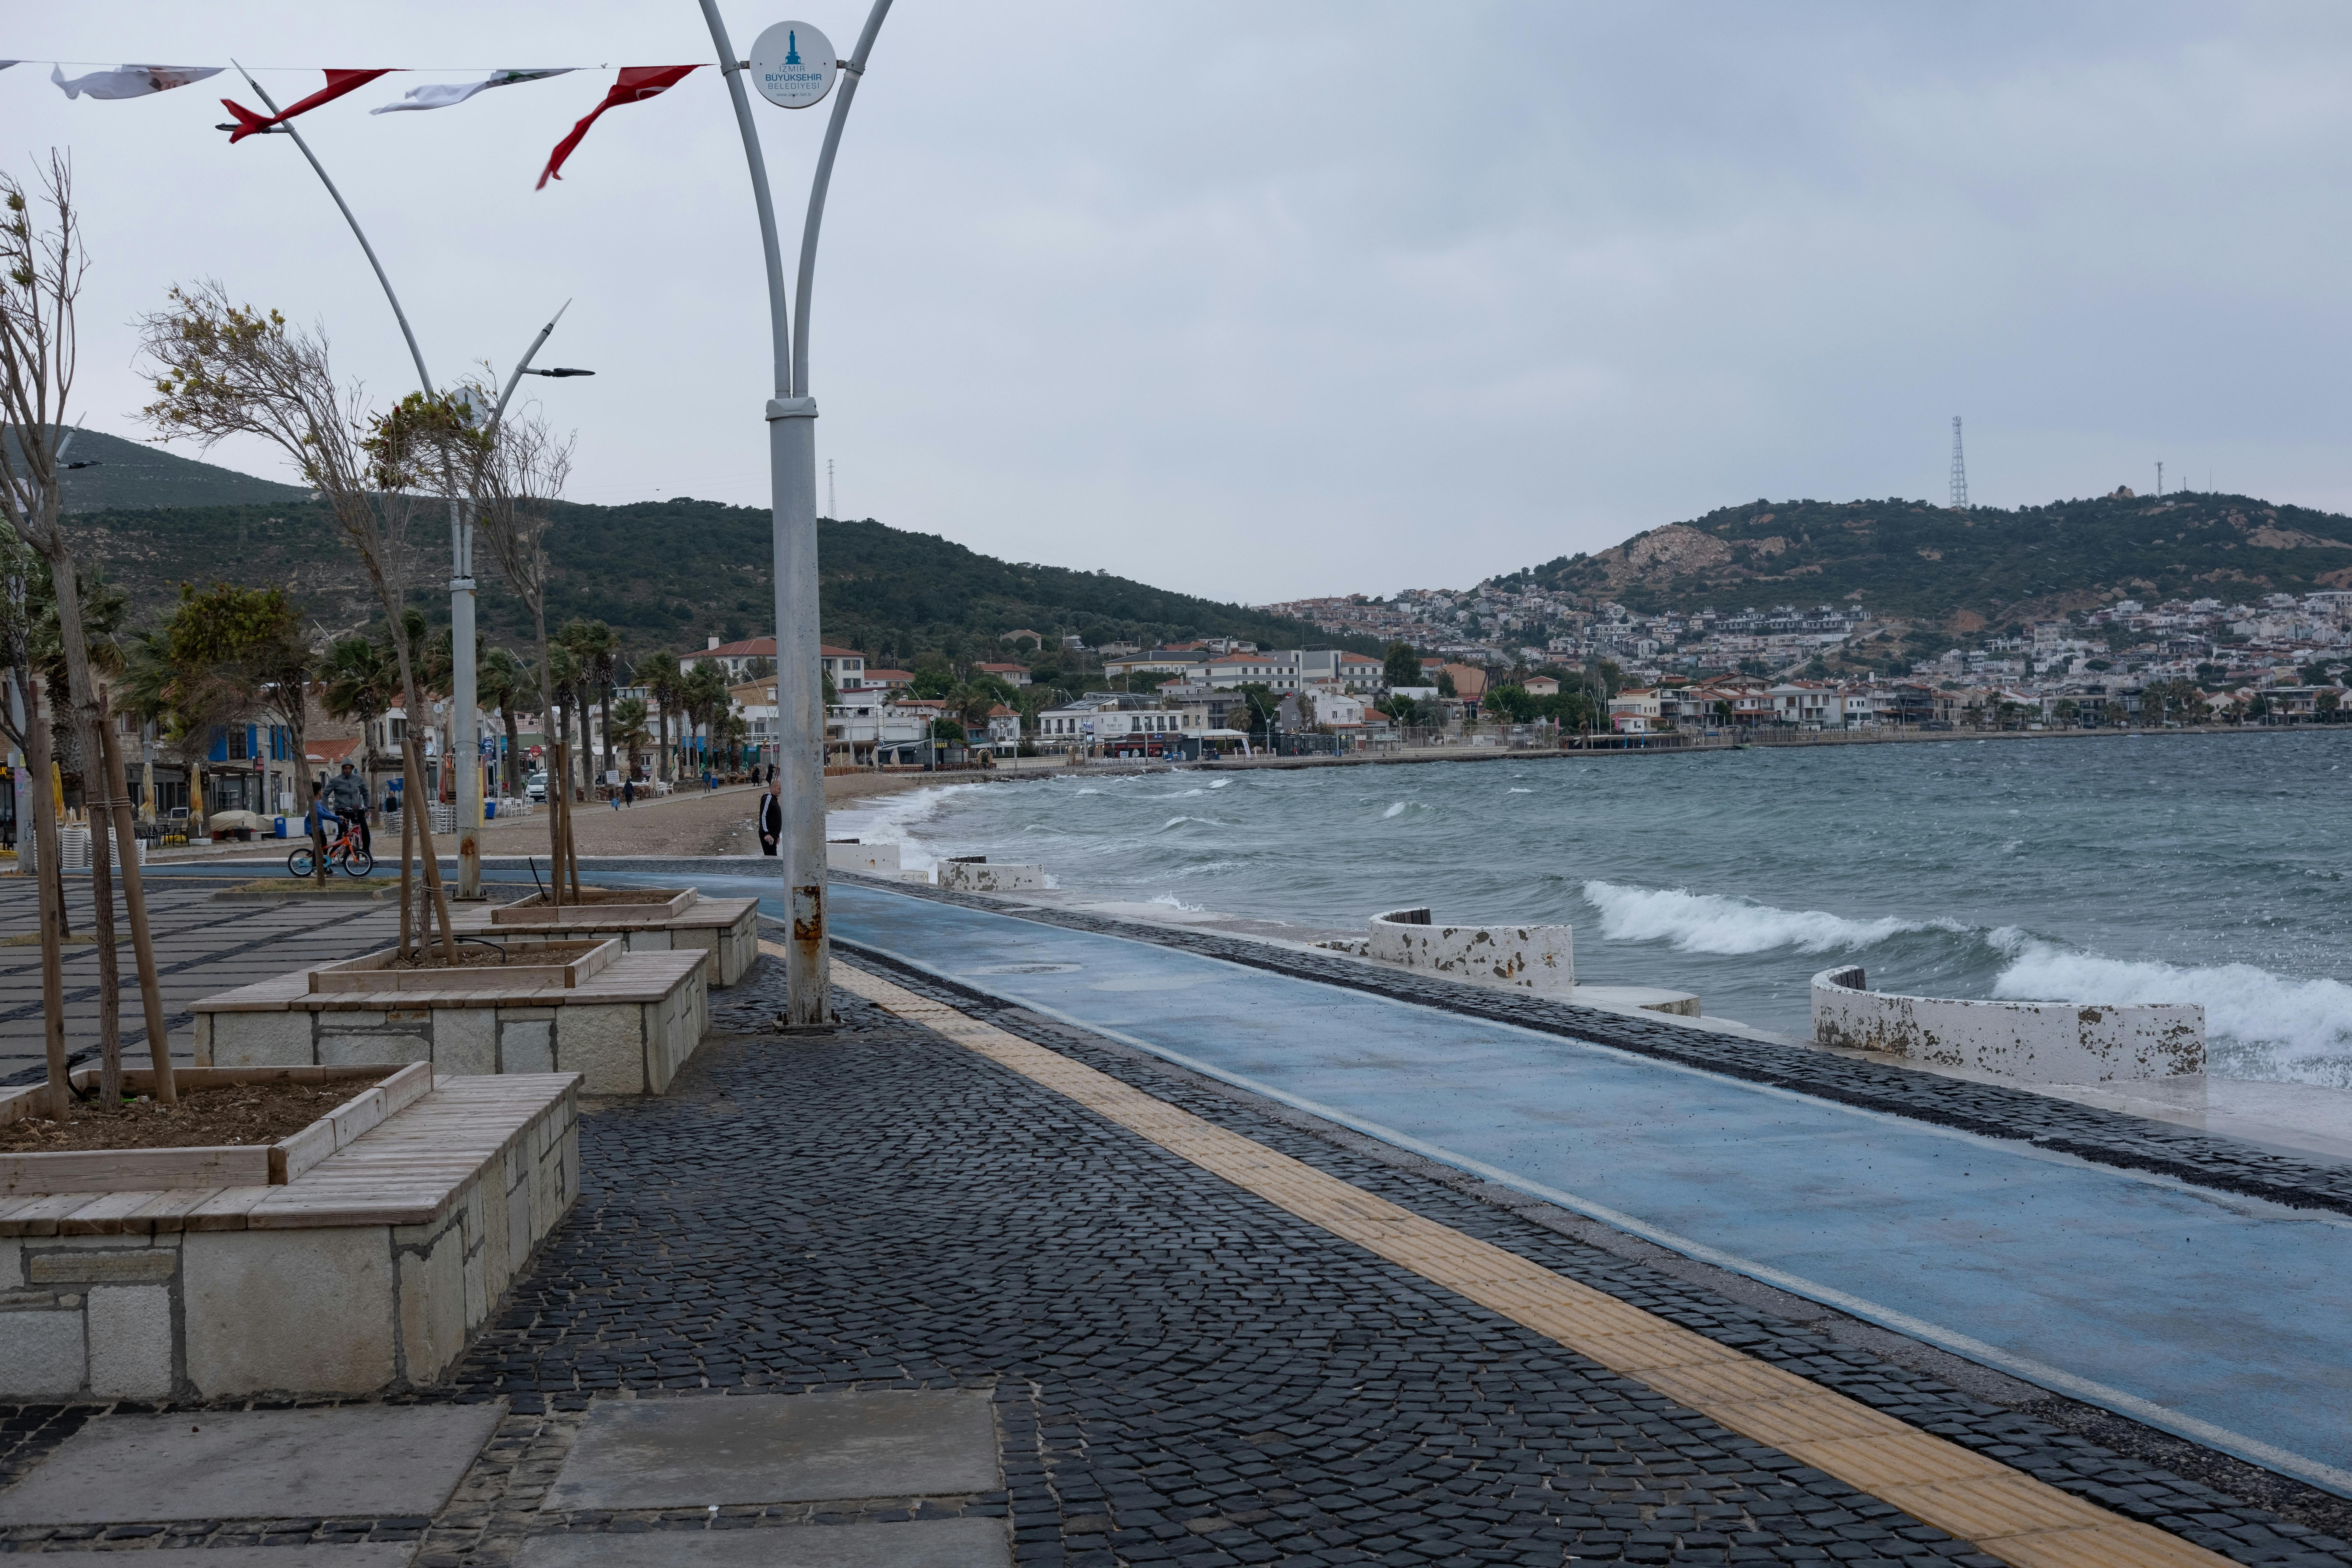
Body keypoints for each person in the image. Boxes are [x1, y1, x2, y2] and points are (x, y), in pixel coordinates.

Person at [321, 761, 371, 853]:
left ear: (352, 768)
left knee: (365, 831)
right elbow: (324, 795)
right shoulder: (336, 781)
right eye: (346, 769)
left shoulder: (358, 779)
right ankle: (333, 855)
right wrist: (326, 810)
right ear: (343, 769)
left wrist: (367, 807)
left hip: (356, 810)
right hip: (342, 810)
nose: (348, 770)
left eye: (350, 768)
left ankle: (367, 854)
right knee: (342, 833)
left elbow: (366, 793)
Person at [758, 775, 782, 856]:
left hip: (773, 835)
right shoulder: (768, 798)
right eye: (779, 789)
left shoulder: (774, 799)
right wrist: (766, 833)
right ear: (772, 788)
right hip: (768, 835)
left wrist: (777, 835)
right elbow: (763, 816)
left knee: (772, 858)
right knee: (772, 860)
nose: (780, 792)